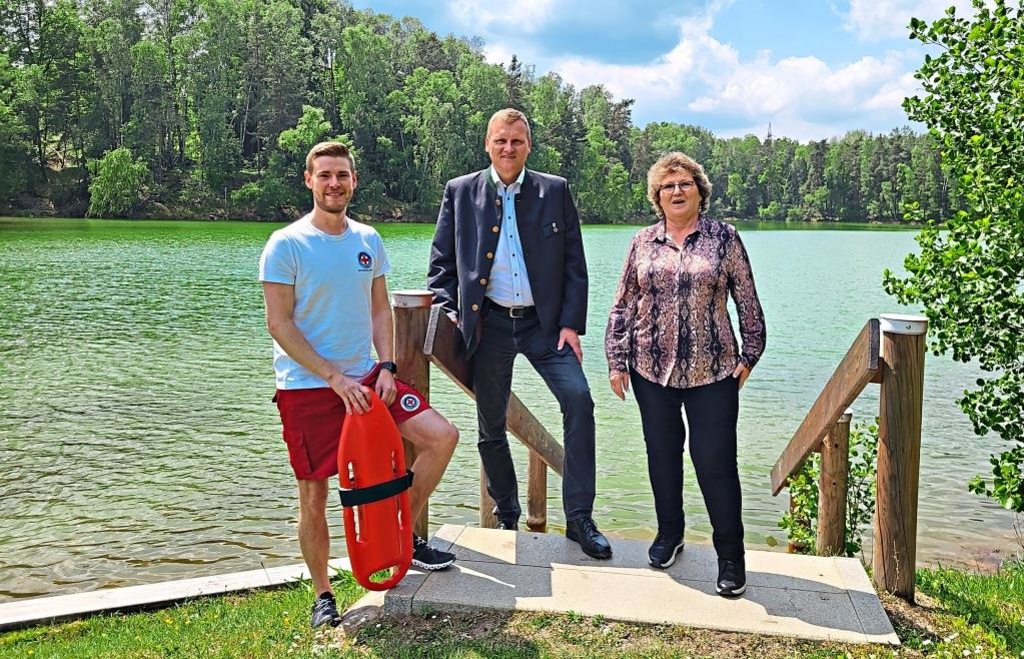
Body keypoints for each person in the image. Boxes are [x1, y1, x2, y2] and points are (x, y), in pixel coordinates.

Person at [259, 141, 460, 628]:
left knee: (441, 436)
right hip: (308, 387)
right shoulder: (285, 244)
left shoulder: (368, 239)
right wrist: (333, 378)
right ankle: (323, 594)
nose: (334, 183)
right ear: (309, 180)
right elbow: (279, 324)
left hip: (369, 379)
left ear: (354, 180)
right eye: (324, 175)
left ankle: (399, 535)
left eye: (342, 175)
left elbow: (378, 309)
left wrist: (387, 365)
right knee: (314, 493)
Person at [427, 108, 611, 560]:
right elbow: (440, 267)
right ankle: (507, 513)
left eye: (517, 141)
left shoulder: (555, 190)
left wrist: (570, 323)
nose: (508, 148)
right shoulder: (460, 192)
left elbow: (574, 264)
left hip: (544, 327)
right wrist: (450, 311)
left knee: (579, 401)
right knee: (490, 425)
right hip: (487, 324)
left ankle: (580, 519)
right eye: (500, 140)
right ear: (487, 145)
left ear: (528, 146)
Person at [604, 152, 766, 597]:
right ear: (657, 196)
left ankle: (731, 556)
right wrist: (617, 360)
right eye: (667, 186)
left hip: (713, 371)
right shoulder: (642, 242)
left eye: (685, 184)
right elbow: (622, 304)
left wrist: (749, 356)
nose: (677, 191)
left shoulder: (725, 239)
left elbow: (748, 304)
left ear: (700, 191)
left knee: (715, 464)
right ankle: (669, 534)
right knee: (662, 455)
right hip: (650, 369)